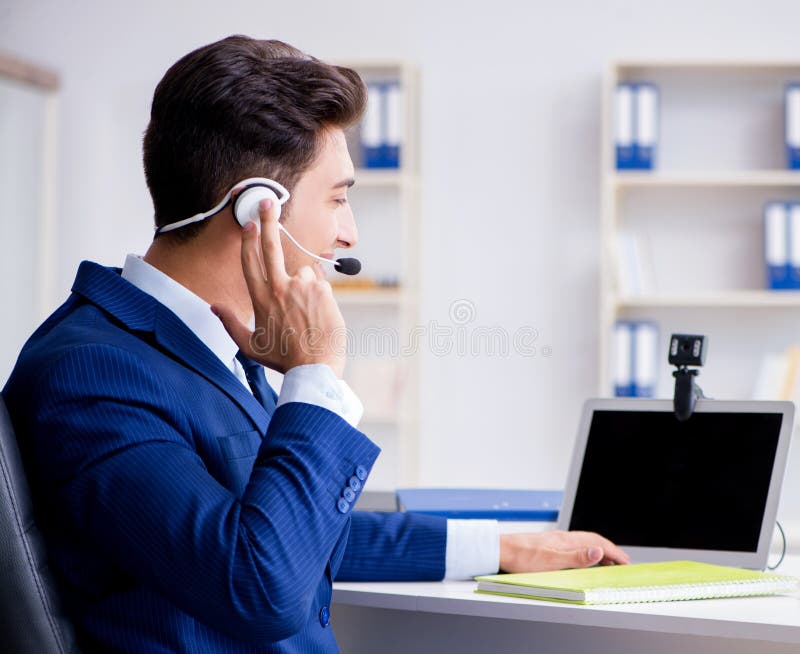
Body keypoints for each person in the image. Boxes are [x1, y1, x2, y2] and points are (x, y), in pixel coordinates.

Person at [2, 35, 628, 653]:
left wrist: (505, 548)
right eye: (339, 198)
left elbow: (291, 530)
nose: (349, 234)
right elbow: (258, 582)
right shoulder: (95, 371)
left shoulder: (204, 347)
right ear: (257, 209)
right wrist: (316, 371)